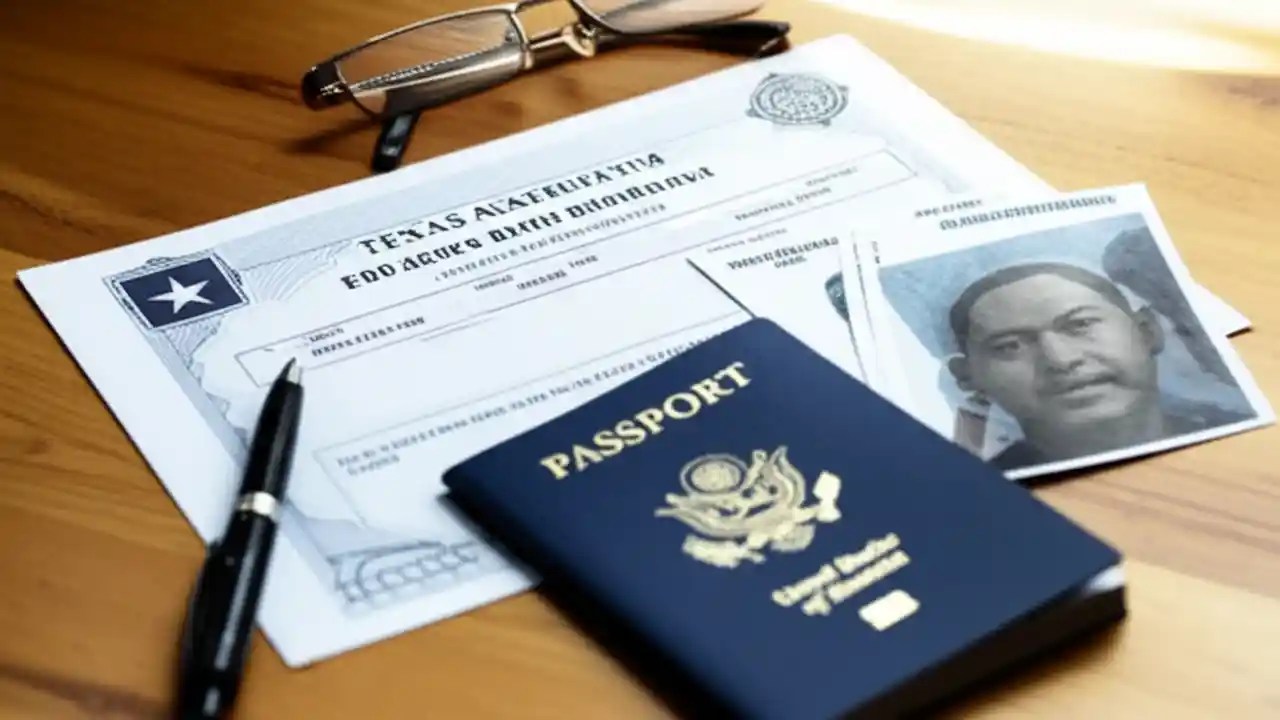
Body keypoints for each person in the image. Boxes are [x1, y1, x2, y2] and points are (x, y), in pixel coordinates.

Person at [945, 262, 1248, 470]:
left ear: (1147, 331)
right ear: (968, 377)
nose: (1061, 360)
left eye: (1080, 325)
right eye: (1009, 346)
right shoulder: (986, 492)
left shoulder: (1240, 435)